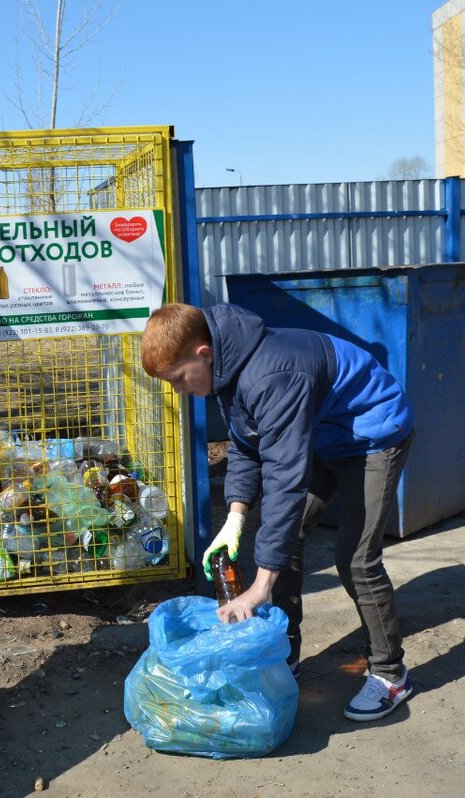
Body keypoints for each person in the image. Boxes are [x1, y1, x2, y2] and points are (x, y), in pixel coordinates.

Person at [140, 302, 415, 722]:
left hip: (371, 432)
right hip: (322, 433)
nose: (178, 390)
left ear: (203, 353)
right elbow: (248, 444)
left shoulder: (272, 375)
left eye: (178, 379)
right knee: (286, 537)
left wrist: (261, 585)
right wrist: (235, 517)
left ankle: (390, 673)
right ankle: (285, 654)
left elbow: (285, 478)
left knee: (356, 559)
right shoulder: (228, 370)